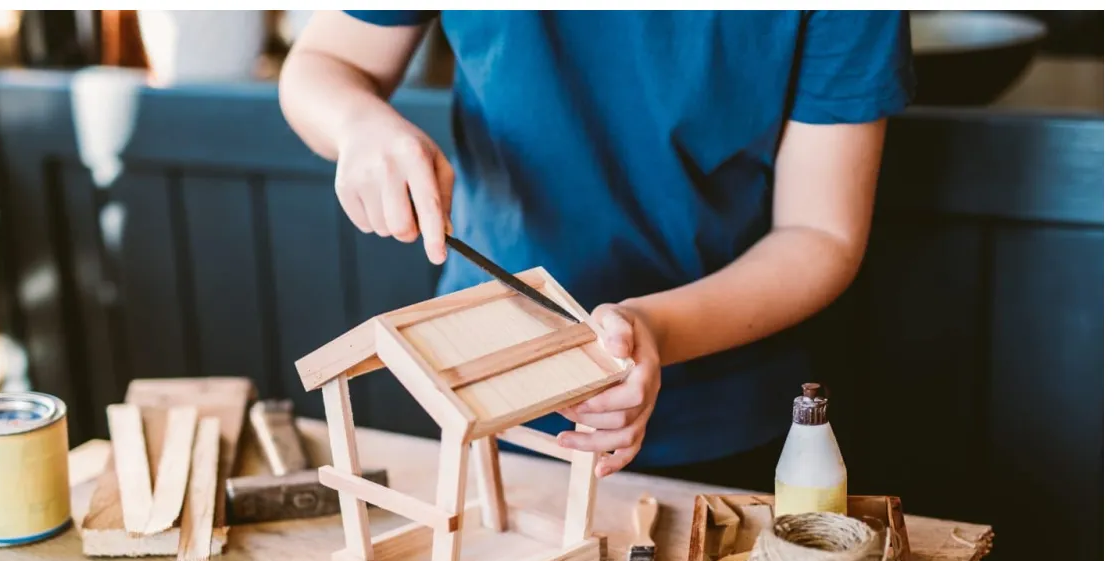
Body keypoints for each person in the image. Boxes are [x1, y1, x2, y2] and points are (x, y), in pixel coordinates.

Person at [278, 11, 914, 489]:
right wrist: (357, 123)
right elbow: (323, 65)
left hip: (726, 418)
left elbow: (820, 234)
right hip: (489, 387)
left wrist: (657, 330)